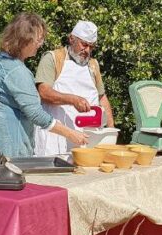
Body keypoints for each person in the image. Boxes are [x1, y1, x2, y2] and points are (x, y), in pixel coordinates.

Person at [0, 12, 87, 158]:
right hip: (10, 145)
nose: (41, 44)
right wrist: (70, 133)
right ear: (24, 40)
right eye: (38, 40)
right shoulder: (17, 71)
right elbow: (35, 113)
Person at [33, 20, 115, 156]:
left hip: (88, 138)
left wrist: (111, 131)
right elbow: (44, 92)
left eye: (91, 47)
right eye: (84, 44)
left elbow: (102, 98)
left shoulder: (93, 65)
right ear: (71, 39)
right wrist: (72, 100)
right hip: (56, 138)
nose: (87, 50)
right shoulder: (53, 58)